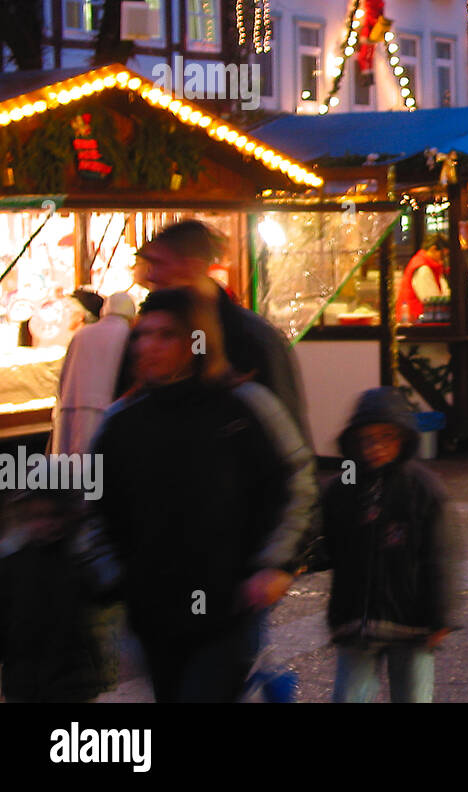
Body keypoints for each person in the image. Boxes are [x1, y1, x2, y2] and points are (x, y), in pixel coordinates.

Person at [88, 288, 314, 702]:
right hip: (154, 612)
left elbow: (295, 481)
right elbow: (95, 505)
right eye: (143, 335)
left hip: (230, 608)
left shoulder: (243, 408)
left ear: (196, 341)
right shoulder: (122, 422)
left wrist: (276, 562)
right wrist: (114, 577)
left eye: (166, 335)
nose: (148, 347)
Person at [322, 387, 455, 703]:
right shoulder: (343, 490)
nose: (375, 447)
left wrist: (441, 616)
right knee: (348, 696)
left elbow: (441, 556)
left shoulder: (422, 488)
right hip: (357, 621)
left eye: (386, 437)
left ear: (403, 439)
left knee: (412, 697)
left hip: (413, 623)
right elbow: (325, 541)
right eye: (367, 439)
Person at [128, 220, 311, 445]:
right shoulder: (147, 332)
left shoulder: (252, 337)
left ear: (192, 267)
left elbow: (286, 437)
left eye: (160, 264)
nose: (151, 276)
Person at [0, 491, 116, 703]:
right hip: (26, 683)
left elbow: (104, 594)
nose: (47, 523)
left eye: (54, 515)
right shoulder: (11, 568)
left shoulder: (76, 563)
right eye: (37, 516)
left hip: (70, 681)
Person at [51, 291, 136, 457]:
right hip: (108, 409)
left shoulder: (82, 334)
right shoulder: (129, 335)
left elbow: (64, 377)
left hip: (73, 407)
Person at [396, 233, 450, 323]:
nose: (443, 259)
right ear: (433, 249)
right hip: (418, 320)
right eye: (443, 255)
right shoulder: (423, 269)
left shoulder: (428, 266)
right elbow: (432, 300)